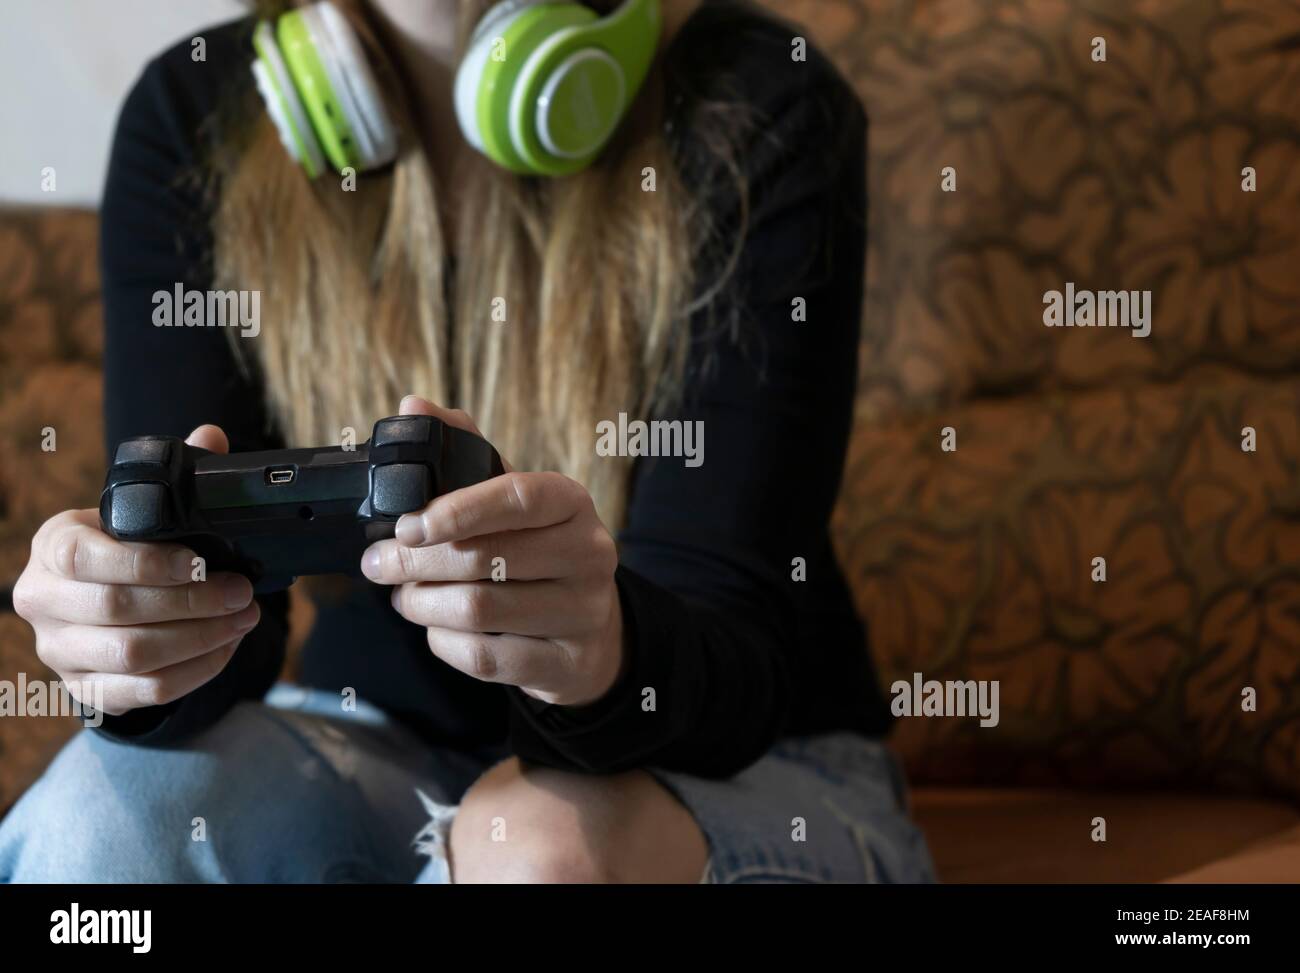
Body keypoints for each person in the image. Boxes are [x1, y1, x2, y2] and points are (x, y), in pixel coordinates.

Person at [2, 0, 935, 884]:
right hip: (379, 736)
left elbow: (733, 644)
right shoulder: (197, 115)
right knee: (97, 821)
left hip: (736, 757)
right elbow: (226, 648)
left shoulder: (759, 96)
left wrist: (599, 643)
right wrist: (133, 647)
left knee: (537, 846)